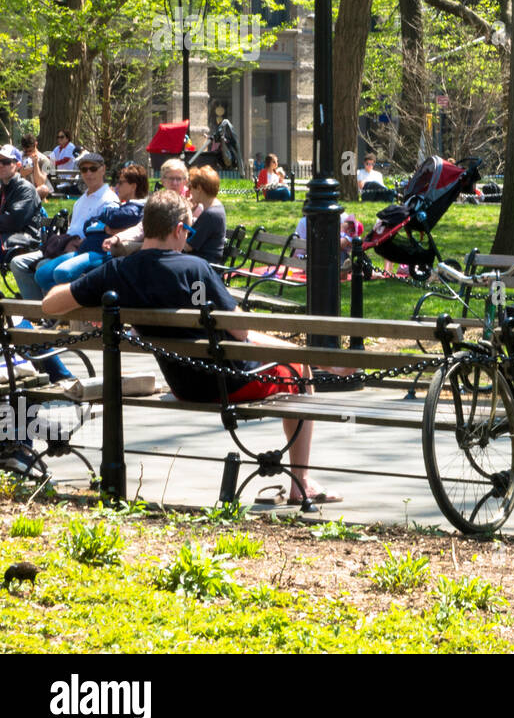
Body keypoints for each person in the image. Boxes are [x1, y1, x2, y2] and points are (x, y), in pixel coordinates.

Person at [42, 189, 337, 504]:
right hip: (229, 384)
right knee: (300, 371)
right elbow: (240, 332)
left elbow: (50, 304)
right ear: (179, 229)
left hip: (183, 384)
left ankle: (321, 371)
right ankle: (301, 483)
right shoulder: (196, 270)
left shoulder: (119, 272)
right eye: (188, 231)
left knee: (288, 358)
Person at [10, 151, 120, 299]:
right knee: (18, 263)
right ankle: (37, 314)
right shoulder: (82, 199)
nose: (88, 173)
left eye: (93, 169)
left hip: (87, 250)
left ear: (103, 169)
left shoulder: (109, 200)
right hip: (65, 244)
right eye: (84, 169)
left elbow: (105, 235)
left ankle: (55, 313)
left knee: (43, 268)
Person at [45, 162, 148, 286]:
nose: (116, 186)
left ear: (133, 186)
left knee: (62, 273)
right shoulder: (125, 207)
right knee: (42, 274)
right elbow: (88, 224)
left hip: (102, 253)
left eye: (120, 182)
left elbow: (113, 218)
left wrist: (103, 219)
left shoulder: (135, 209)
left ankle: (72, 301)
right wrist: (104, 226)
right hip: (86, 249)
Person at [0, 144, 42, 251]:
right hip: (7, 236)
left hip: (25, 238)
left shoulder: (25, 189)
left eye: (6, 162)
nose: (1, 165)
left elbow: (13, 221)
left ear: (18, 165)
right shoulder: (3, 188)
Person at [186, 165, 227, 264]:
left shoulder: (210, 214)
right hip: (203, 262)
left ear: (199, 189)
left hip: (204, 266)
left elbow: (188, 247)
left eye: (191, 187)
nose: (190, 192)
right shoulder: (216, 207)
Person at [18, 134, 52, 200]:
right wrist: (22, 171)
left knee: (43, 189)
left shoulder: (45, 160)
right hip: (21, 190)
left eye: (30, 150)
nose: (28, 153)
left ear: (36, 144)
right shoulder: (19, 156)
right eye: (25, 151)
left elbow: (40, 183)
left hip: (38, 192)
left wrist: (35, 164)